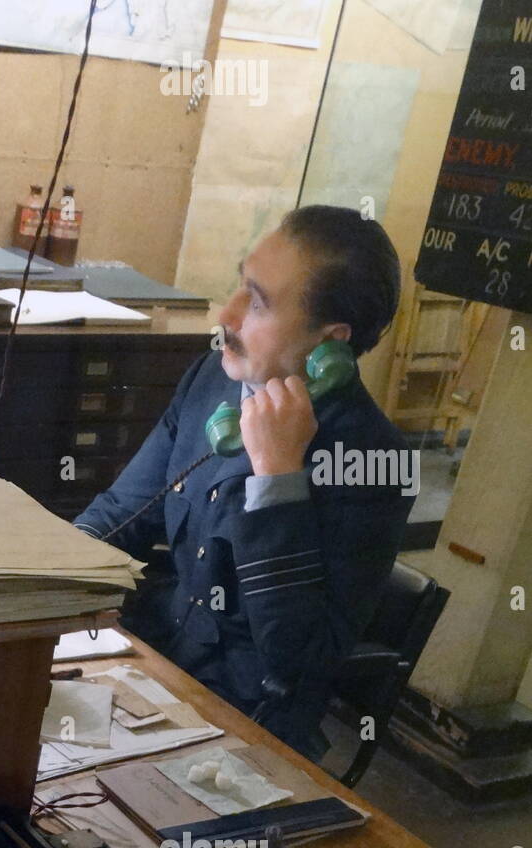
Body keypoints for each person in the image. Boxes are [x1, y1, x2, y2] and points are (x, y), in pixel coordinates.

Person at [74, 206, 413, 762]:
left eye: (257, 302)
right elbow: (122, 514)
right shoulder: (215, 380)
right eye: (239, 286)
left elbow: (300, 661)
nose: (224, 315)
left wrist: (278, 479)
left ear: (331, 343)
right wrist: (37, 584)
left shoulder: (373, 461)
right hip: (156, 662)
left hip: (247, 721)